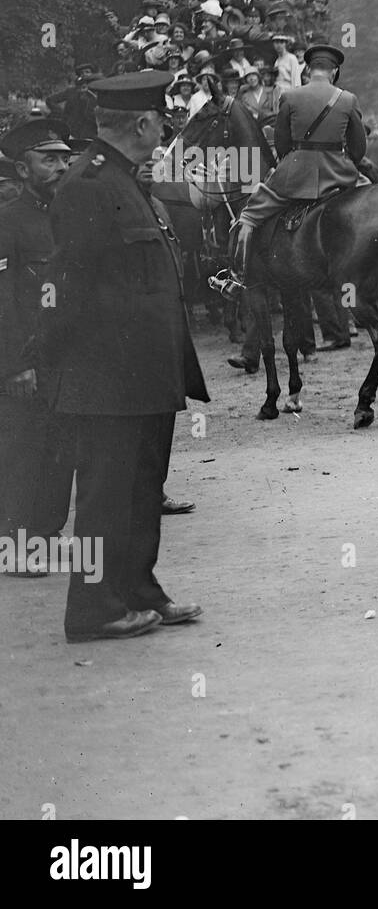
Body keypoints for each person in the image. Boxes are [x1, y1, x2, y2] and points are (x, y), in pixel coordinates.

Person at [40, 71, 208, 640]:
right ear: (140, 123)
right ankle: (92, 611)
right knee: (103, 498)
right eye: (161, 118)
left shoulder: (125, 180)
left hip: (146, 375)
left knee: (139, 493)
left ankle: (139, 590)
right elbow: (68, 287)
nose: (165, 126)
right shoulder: (88, 185)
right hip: (107, 376)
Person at [219, 44, 372, 294]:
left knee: (248, 216)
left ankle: (236, 279)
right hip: (340, 175)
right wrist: (346, 163)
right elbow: (359, 147)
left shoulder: (290, 97)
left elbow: (281, 143)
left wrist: (293, 160)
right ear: (334, 71)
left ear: (309, 69)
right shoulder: (347, 99)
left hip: (296, 175)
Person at [0, 120, 75, 576]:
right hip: (26, 362)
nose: (62, 166)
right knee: (21, 452)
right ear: (22, 168)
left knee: (60, 450)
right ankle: (13, 545)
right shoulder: (7, 221)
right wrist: (13, 366)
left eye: (65, 158)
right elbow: (4, 298)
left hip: (65, 357)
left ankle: (44, 534)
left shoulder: (69, 214)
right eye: (49, 159)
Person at [47, 64, 101, 140]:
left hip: (90, 133)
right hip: (71, 131)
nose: (84, 75)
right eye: (82, 73)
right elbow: (50, 100)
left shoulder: (97, 93)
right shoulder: (71, 91)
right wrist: (61, 113)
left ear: (93, 74)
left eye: (87, 72)